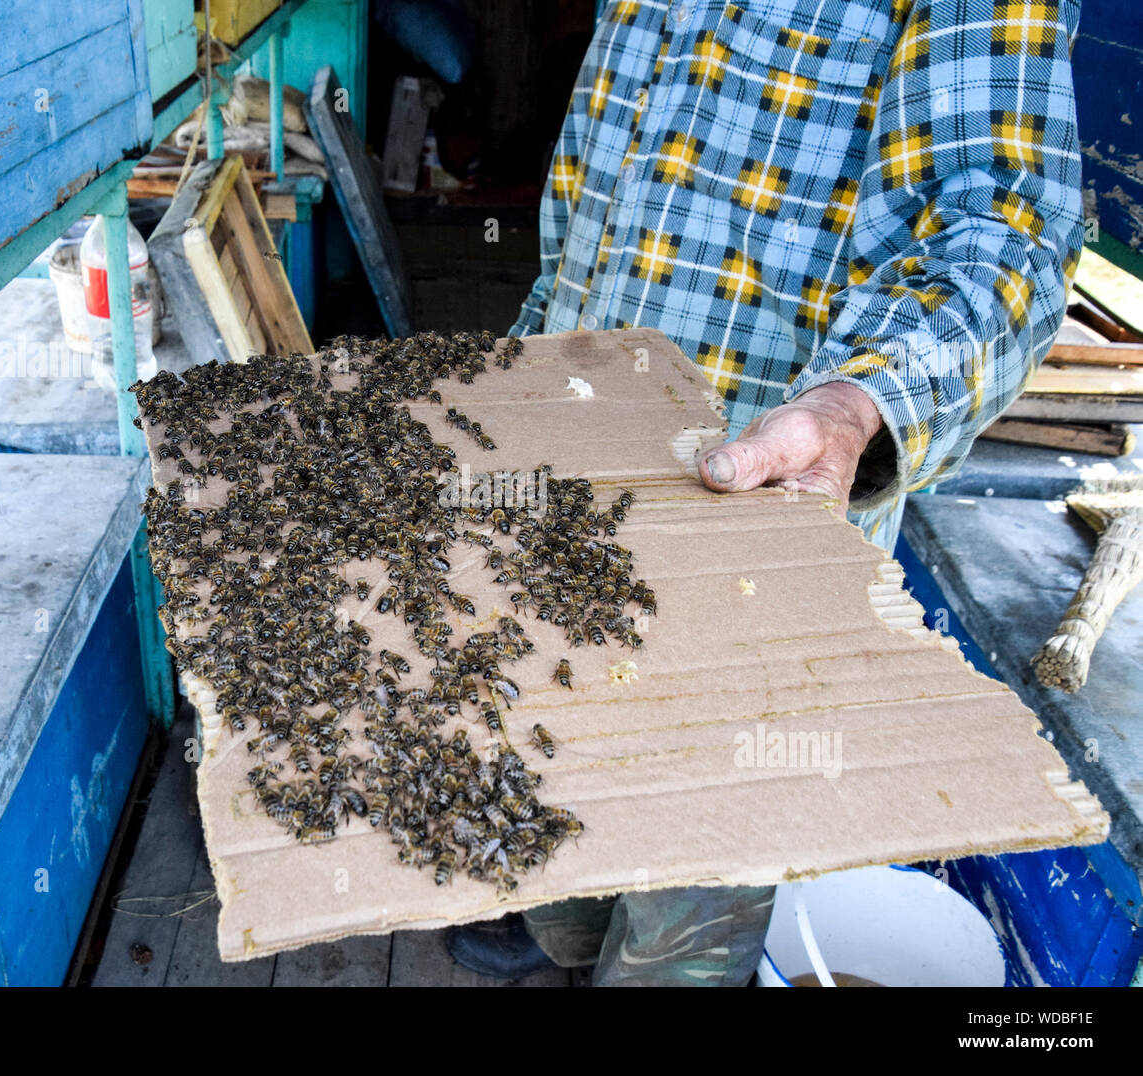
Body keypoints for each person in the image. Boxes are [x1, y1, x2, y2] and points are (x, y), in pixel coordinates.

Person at [447, 0, 1084, 985]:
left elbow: (1007, 240)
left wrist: (853, 404)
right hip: (576, 514)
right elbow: (585, 229)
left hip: (750, 568)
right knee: (558, 794)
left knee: (684, 909)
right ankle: (560, 934)